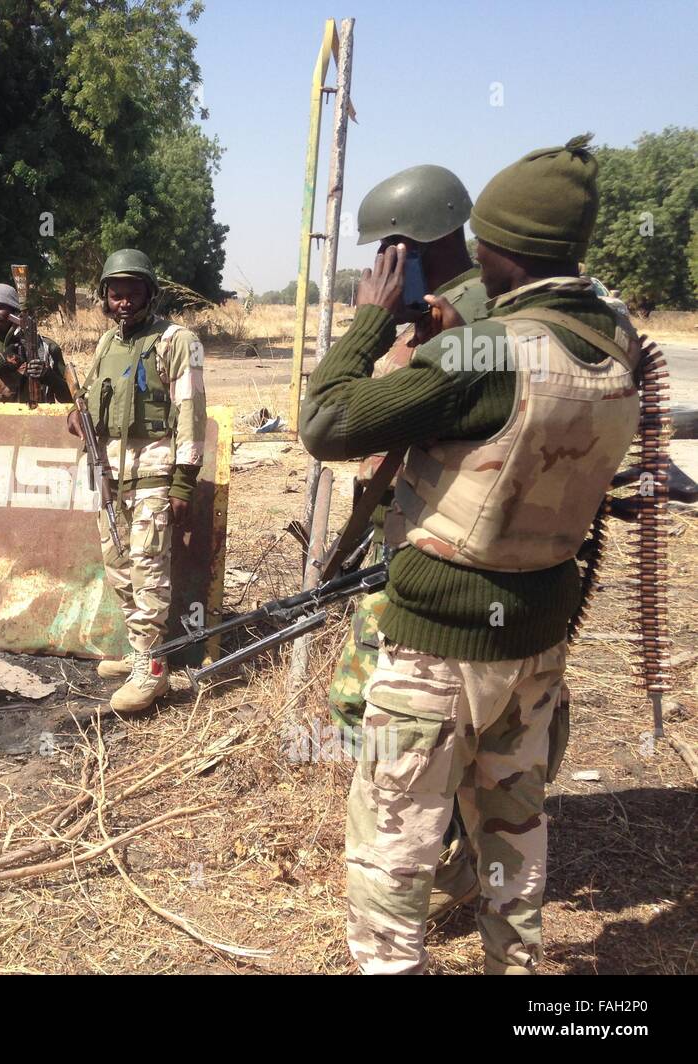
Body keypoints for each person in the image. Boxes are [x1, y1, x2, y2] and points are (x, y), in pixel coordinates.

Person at [300, 136, 640, 974]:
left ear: (505, 251)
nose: (475, 256)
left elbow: (327, 424)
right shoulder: (616, 340)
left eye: (482, 243)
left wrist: (374, 319)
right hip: (537, 634)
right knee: (513, 842)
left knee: (392, 850)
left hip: (440, 642)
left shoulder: (489, 352)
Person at [326, 164, 487, 923]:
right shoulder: (449, 322)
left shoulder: (471, 332)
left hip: (436, 561)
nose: (382, 268)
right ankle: (452, 847)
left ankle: (417, 859)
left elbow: (327, 422)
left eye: (390, 250)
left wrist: (368, 323)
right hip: (444, 551)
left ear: (424, 243)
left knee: (368, 707)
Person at [67, 249, 206, 713]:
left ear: (150, 293)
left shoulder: (176, 340)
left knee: (149, 568)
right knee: (118, 564)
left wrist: (184, 482)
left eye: (132, 293)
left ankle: (153, 669)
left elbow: (190, 410)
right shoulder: (108, 344)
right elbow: (86, 397)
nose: (123, 302)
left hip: (155, 471)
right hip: (110, 474)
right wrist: (77, 415)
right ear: (105, 298)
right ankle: (137, 649)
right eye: (115, 294)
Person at [0, 283, 70, 403]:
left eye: (0, 307)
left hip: (39, 420)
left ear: (15, 311)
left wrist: (48, 375)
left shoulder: (47, 348)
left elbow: (70, 399)